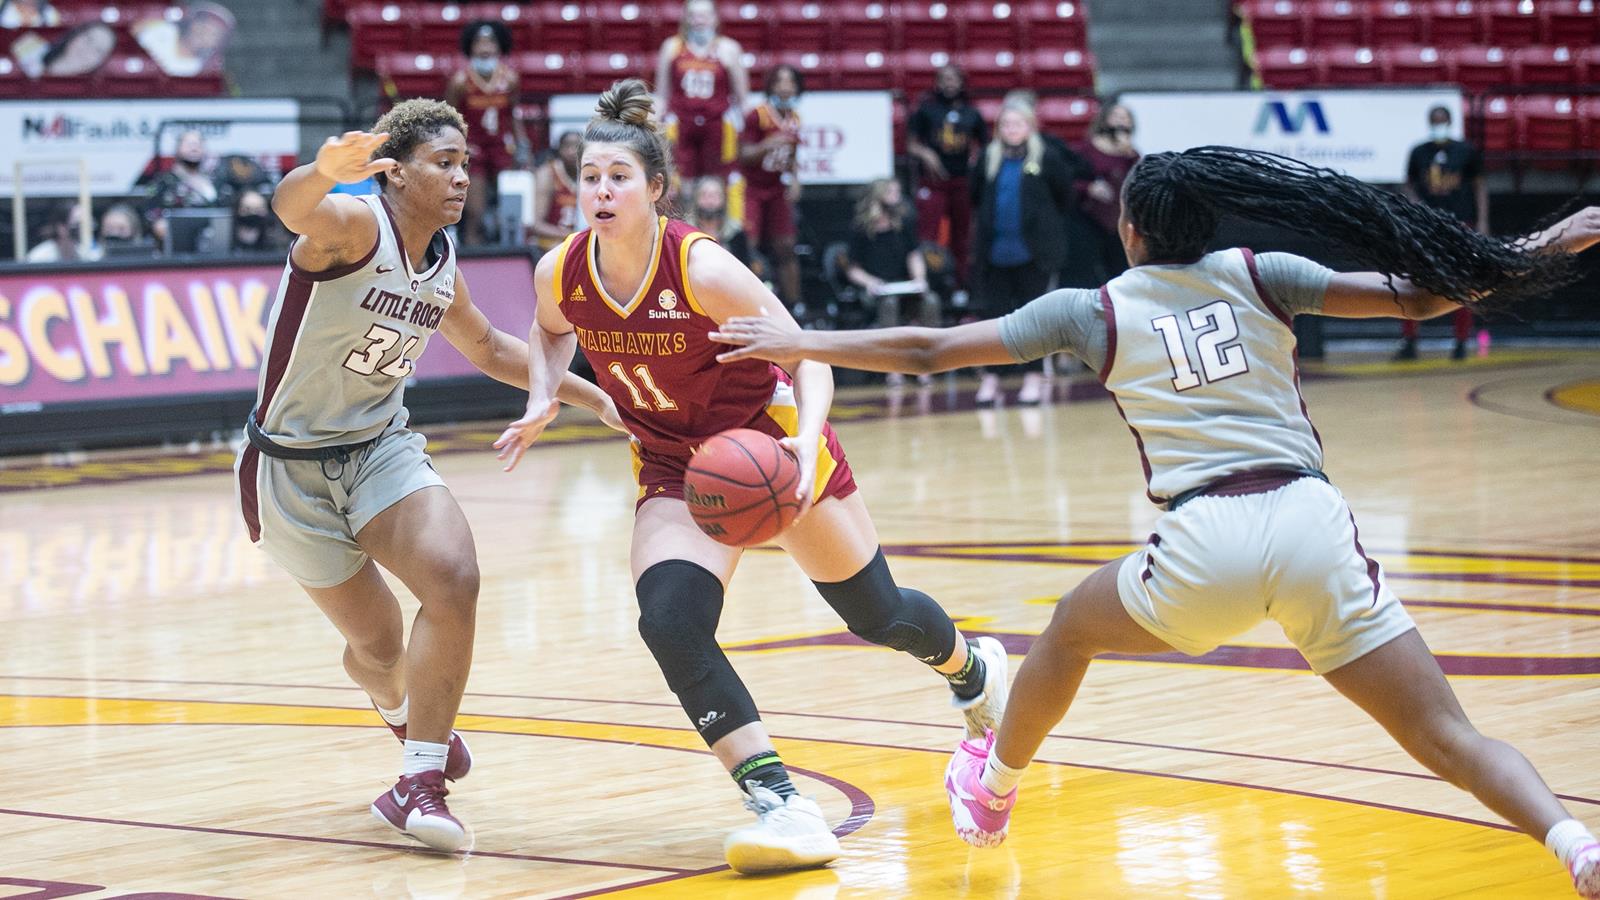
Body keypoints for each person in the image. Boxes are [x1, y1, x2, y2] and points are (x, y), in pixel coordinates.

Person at [708, 146, 1600, 898]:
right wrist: (1545, 244)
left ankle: (993, 786)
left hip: (1204, 539)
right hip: (1311, 523)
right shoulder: (1262, 273)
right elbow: (1418, 293)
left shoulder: (1094, 309)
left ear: (1131, 231)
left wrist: (802, 342)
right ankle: (1573, 843)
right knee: (1449, 735)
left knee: (1065, 634)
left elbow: (932, 350)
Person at [493, 80, 1009, 875]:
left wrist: (805, 444)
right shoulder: (560, 270)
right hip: (674, 464)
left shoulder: (702, 268)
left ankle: (968, 667)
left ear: (656, 190)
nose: (600, 190)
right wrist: (540, 399)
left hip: (766, 447)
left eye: (618, 177)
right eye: (589, 176)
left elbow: (805, 356)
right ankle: (780, 800)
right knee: (668, 620)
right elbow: (548, 333)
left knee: (876, 614)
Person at [238, 100, 619, 853]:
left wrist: (588, 395)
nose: (460, 177)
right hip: (290, 467)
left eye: (465, 164)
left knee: (453, 574)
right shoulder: (352, 225)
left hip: (380, 444)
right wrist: (322, 173)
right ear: (397, 170)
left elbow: (488, 346)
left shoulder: (442, 257)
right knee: (379, 653)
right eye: (443, 162)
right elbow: (291, 207)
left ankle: (418, 781)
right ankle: (404, 717)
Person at [968, 100, 1073, 405]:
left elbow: (1065, 198)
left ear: (1030, 126)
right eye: (1005, 124)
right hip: (995, 252)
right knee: (993, 317)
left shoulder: (1048, 157)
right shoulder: (988, 157)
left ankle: (1033, 376)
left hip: (1035, 253)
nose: (1011, 129)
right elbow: (975, 198)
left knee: (1034, 319)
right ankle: (991, 378)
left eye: (1018, 124)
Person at [1400, 105, 1487, 361]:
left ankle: (1461, 341)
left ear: (1450, 122)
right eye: (1435, 120)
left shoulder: (1466, 151)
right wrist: (1414, 206)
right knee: (1413, 280)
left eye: (1443, 120)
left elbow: (1479, 186)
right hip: (1426, 227)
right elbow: (1408, 185)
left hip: (1460, 225)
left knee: (1461, 284)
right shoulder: (1419, 152)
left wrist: (1481, 221)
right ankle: (1410, 341)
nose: (1439, 124)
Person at [444, 20, 530, 246]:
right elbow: (450, 120)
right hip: (474, 148)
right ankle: (473, 260)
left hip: (502, 146)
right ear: (469, 48)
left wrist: (523, 145)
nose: (485, 48)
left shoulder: (510, 79)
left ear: (500, 47)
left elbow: (513, 115)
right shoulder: (459, 82)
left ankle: (511, 257)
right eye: (479, 43)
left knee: (511, 210)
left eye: (490, 43)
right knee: (475, 212)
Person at [846, 178, 939, 385]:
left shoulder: (903, 222)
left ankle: (927, 365)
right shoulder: (861, 227)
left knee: (930, 301)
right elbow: (853, 269)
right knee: (889, 305)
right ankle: (893, 367)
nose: (897, 196)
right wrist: (870, 282)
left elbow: (913, 255)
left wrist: (919, 279)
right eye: (891, 191)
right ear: (878, 195)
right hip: (876, 289)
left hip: (903, 285)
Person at [654, 0, 748, 194]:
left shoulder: (729, 49)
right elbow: (661, 95)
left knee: (717, 179)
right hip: (681, 123)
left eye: (704, 15)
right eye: (694, 15)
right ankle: (686, 222)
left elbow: (742, 99)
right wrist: (655, 124)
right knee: (681, 179)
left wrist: (748, 130)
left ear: (715, 18)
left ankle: (717, 223)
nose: (699, 20)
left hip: (717, 124)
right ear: (686, 19)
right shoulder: (672, 47)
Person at [908, 65, 987, 291]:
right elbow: (911, 145)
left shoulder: (973, 113)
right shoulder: (926, 110)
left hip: (962, 182)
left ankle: (961, 285)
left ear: (962, 83)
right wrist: (927, 154)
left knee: (962, 237)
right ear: (938, 83)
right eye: (945, 79)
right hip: (933, 182)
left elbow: (984, 146)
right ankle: (929, 283)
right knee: (928, 234)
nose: (949, 83)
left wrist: (975, 160)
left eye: (954, 79)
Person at [738, 64, 803, 308]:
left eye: (790, 82)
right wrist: (769, 144)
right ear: (771, 86)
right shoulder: (757, 114)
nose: (785, 87)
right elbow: (743, 155)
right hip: (752, 187)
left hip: (777, 189)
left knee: (786, 246)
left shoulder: (795, 118)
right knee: (748, 245)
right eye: (780, 82)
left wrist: (795, 179)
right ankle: (745, 302)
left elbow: (792, 156)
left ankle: (795, 305)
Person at [1073, 101, 1140, 283]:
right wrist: (1089, 188)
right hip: (1089, 220)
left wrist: (1129, 154)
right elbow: (1070, 180)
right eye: (1115, 117)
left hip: (1121, 222)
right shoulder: (1088, 149)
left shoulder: (1132, 155)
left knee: (1120, 272)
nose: (1120, 122)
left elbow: (1140, 181)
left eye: (1124, 118)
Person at [142, 129, 230, 244]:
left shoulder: (216, 182)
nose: (194, 147)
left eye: (198, 144)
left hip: (213, 242)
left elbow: (226, 212)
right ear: (177, 149)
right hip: (174, 243)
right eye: (188, 144)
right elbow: (149, 211)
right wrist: (157, 223)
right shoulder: (163, 181)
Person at [687, 174, 753, 267]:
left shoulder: (736, 233)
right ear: (695, 199)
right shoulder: (685, 232)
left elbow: (746, 268)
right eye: (704, 195)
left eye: (715, 195)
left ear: (724, 200)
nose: (710, 201)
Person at [531, 131, 581, 252]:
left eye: (577, 147)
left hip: (579, 241)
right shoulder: (547, 174)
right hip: (551, 242)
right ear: (559, 150)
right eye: (567, 146)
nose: (572, 151)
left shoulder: (592, 173)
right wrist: (572, 235)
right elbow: (536, 225)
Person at [26, 201, 100, 263]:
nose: (85, 231)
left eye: (89, 224)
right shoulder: (39, 258)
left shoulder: (90, 255)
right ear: (61, 228)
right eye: (78, 224)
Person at [232, 188, 283, 253]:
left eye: (258, 210)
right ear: (238, 210)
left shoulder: (277, 238)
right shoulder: (227, 237)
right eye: (247, 210)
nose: (253, 213)